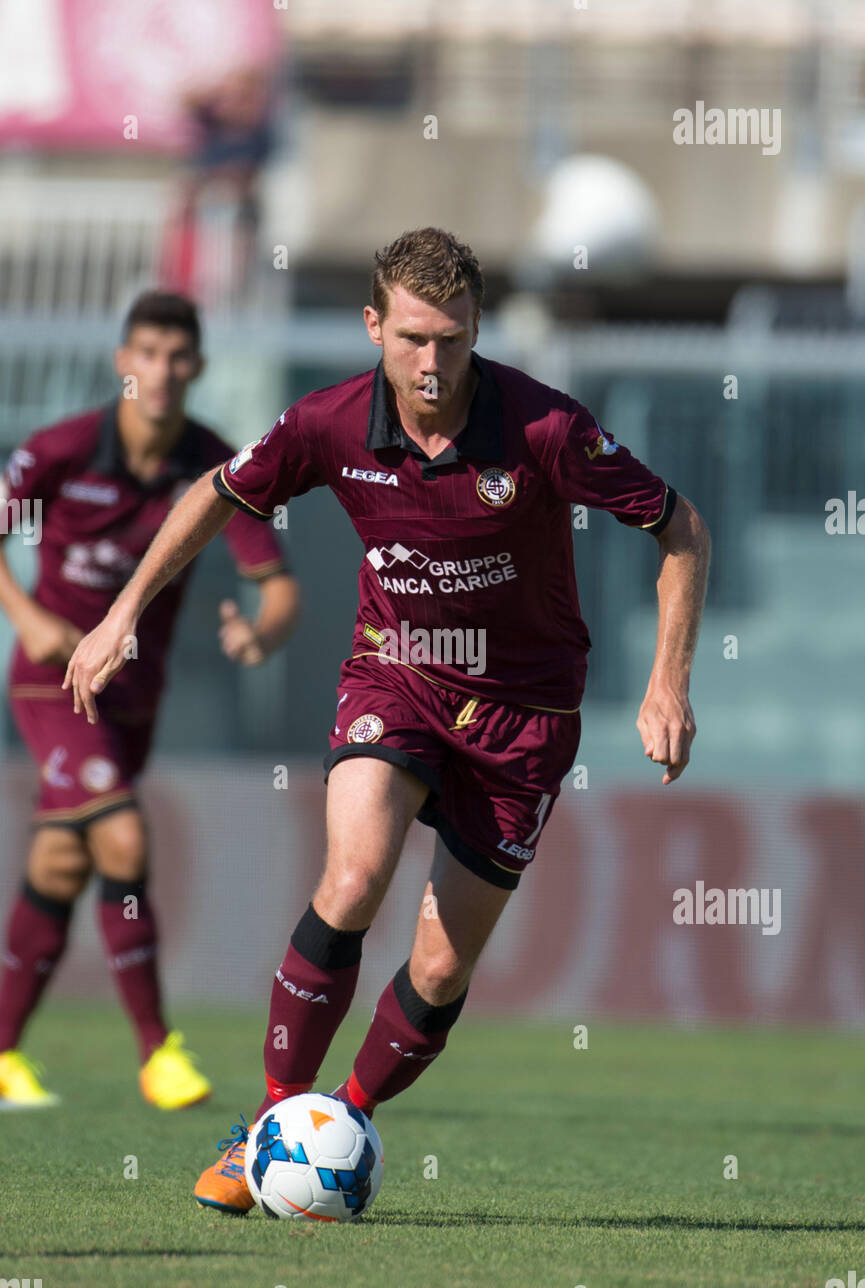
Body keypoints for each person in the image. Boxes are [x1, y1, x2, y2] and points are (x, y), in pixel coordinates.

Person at [63, 230, 710, 1212]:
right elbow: (214, 491)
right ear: (373, 326)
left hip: (524, 715)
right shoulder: (328, 423)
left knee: (442, 966)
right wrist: (121, 615)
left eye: (451, 339)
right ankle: (273, 1126)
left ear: (477, 330)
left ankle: (351, 1110)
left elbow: (681, 528)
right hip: (395, 672)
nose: (431, 363)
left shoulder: (543, 427)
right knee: (355, 875)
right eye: (411, 337)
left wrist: (668, 682)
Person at [0, 290, 299, 1110]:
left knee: (63, 858)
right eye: (147, 355)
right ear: (121, 363)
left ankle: (1, 1056)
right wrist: (28, 618)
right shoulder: (59, 451)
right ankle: (157, 1053)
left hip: (135, 698)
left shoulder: (212, 469)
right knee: (123, 839)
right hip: (53, 681)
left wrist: (260, 637)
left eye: (178, 358)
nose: (161, 373)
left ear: (196, 367)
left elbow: (276, 589)